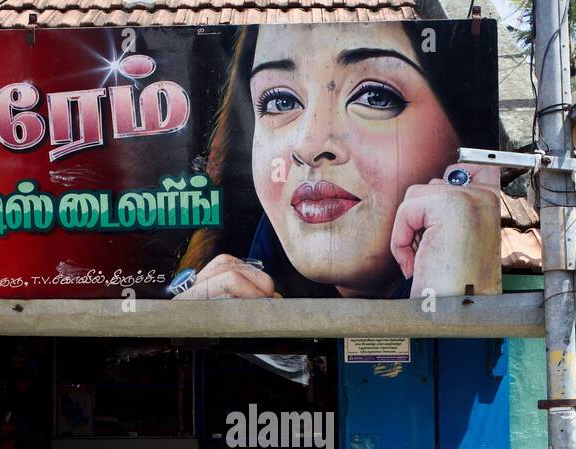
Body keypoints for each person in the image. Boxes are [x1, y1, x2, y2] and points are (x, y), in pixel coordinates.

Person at [173, 20, 503, 301]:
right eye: (281, 101)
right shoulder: (226, 286)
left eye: (375, 96)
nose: (309, 146)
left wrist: (460, 310)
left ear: (462, 137)